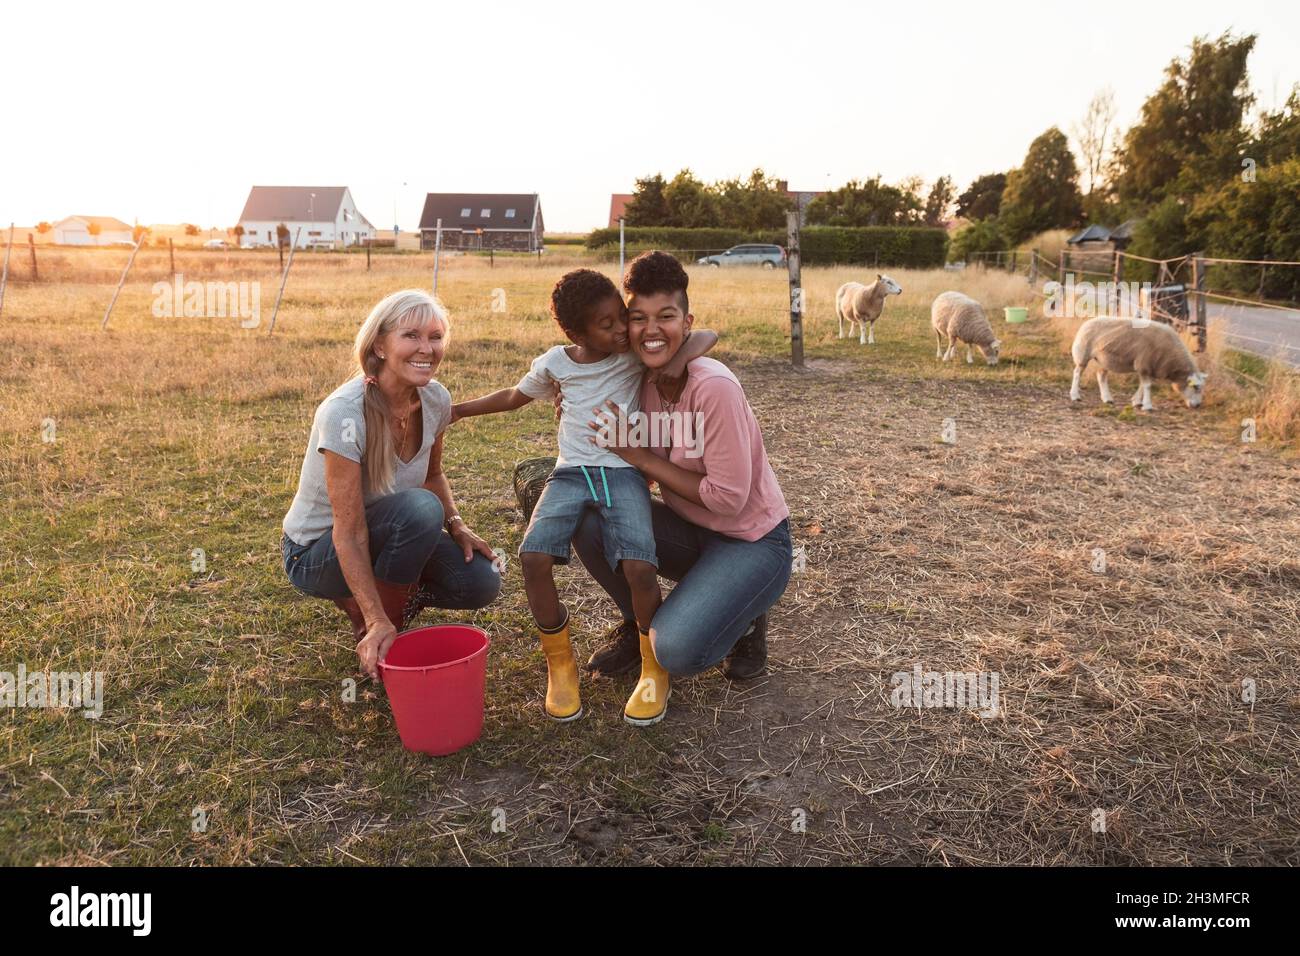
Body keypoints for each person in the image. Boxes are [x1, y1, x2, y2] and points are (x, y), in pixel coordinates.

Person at [453, 269, 715, 725]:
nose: (621, 330)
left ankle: (652, 666)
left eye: (621, 318)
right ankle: (560, 665)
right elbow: (515, 395)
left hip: (623, 475)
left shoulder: (633, 354)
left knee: (639, 564)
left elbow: (706, 334)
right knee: (532, 557)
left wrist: (673, 364)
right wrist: (458, 410)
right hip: (570, 473)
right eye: (607, 323)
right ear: (575, 333)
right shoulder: (556, 362)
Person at [577, 251, 792, 694]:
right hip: (687, 530)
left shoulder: (714, 389)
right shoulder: (636, 378)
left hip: (751, 543)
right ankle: (637, 626)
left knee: (675, 649)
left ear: (686, 321)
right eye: (639, 318)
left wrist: (640, 456)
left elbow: (728, 499)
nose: (651, 330)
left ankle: (745, 614)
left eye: (666, 316)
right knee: (586, 512)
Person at [281, 289, 500, 680]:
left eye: (435, 337)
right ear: (380, 346)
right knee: (418, 510)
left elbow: (432, 475)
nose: (427, 348)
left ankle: (381, 606)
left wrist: (458, 524)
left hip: (391, 529)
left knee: (480, 582)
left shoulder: (435, 399)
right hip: (317, 552)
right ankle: (378, 625)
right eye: (411, 335)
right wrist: (376, 615)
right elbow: (347, 532)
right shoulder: (345, 413)